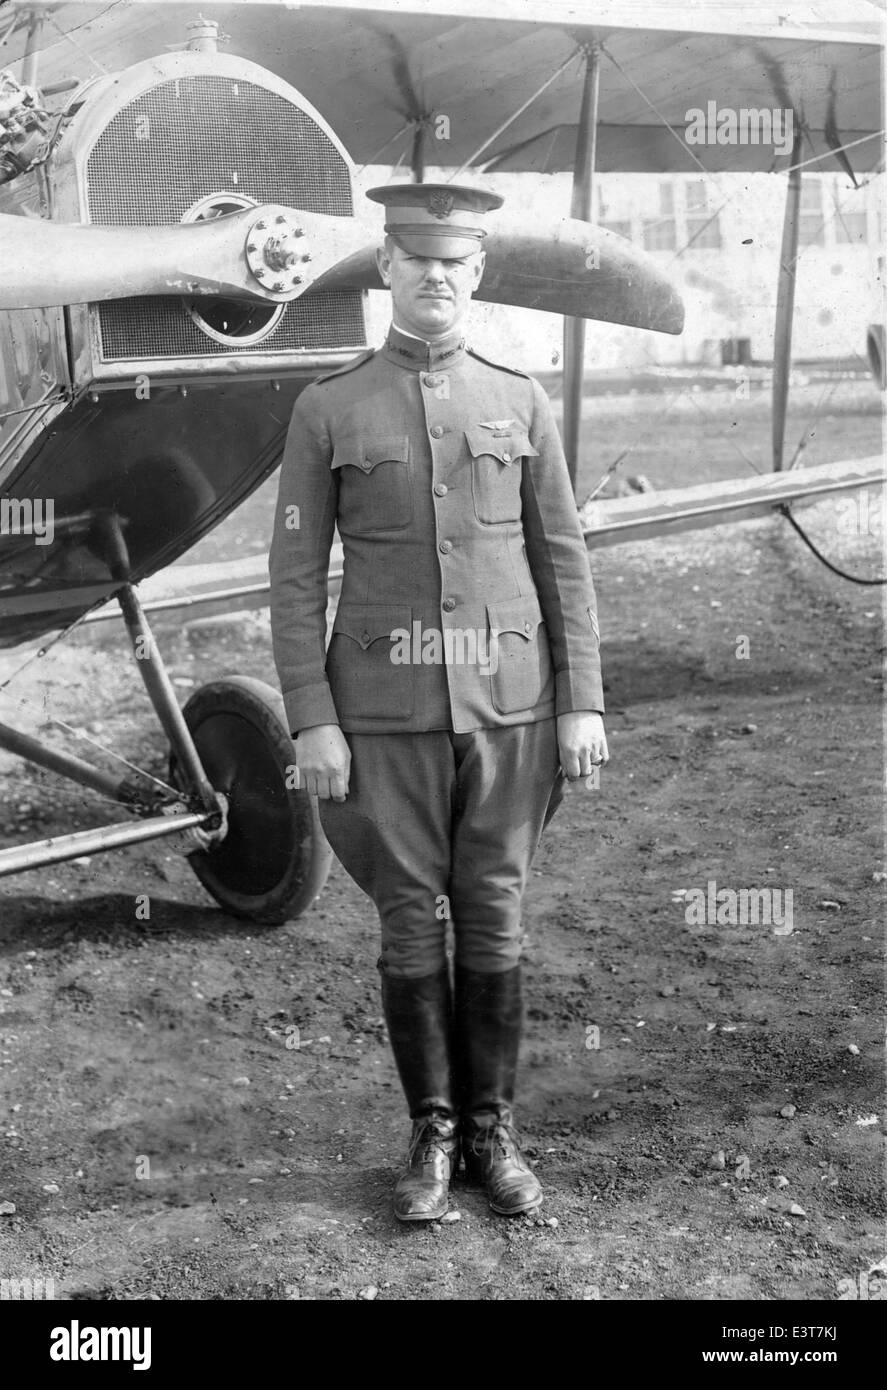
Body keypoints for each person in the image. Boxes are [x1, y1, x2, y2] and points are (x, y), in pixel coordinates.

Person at [269, 182, 607, 1222]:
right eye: (414, 262)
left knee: (495, 915)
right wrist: (311, 718)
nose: (434, 279)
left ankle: (494, 1134)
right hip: (381, 718)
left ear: (477, 272)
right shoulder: (328, 406)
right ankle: (431, 1133)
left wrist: (580, 703)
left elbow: (563, 558)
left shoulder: (519, 397)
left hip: (509, 710)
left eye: (452, 263)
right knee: (410, 925)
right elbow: (290, 575)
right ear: (385, 272)